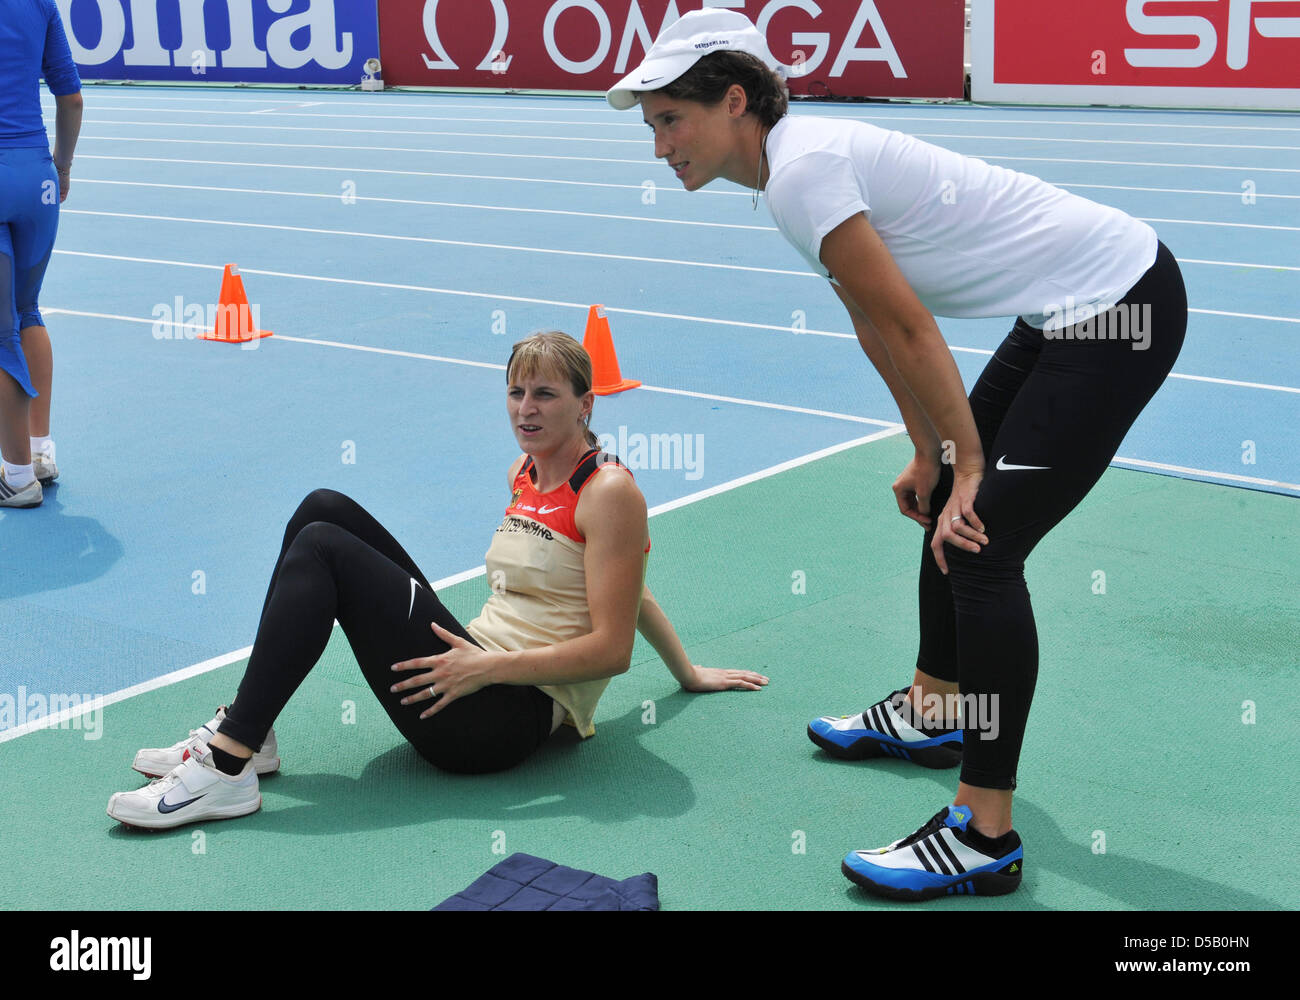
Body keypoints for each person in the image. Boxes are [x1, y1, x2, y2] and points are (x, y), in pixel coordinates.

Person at [608, 9, 1187, 901]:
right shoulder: (784, 173)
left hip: (1119, 307)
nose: (660, 149)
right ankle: (933, 710)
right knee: (946, 505)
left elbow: (914, 325)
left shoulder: (801, 170)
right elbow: (873, 317)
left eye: (670, 121)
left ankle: (983, 832)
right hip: (1064, 311)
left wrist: (971, 466)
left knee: (981, 542)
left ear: (733, 101)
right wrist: (932, 451)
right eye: (652, 128)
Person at [107, 331, 768, 829]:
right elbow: (626, 587)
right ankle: (255, 733)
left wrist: (488, 671)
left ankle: (227, 765)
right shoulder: (527, 470)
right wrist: (686, 670)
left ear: (587, 403)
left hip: (499, 721)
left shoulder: (609, 491)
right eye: (516, 391)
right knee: (323, 507)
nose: (526, 408)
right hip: (467, 666)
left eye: (545, 394)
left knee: (322, 549)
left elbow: (612, 647)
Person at [0, 0, 83, 508]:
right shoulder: (38, 3)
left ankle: (16, 476)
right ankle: (39, 449)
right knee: (28, 312)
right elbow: (71, 99)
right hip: (36, 178)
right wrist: (63, 167)